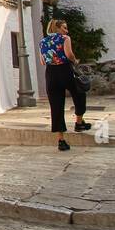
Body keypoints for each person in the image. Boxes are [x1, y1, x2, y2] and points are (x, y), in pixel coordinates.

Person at [39, 19, 88, 151]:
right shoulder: (65, 38)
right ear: (58, 29)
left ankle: (61, 140)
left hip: (50, 73)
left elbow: (42, 62)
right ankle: (79, 122)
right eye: (64, 28)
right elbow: (69, 54)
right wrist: (75, 60)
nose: (66, 31)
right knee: (79, 92)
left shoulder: (43, 41)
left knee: (56, 106)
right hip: (65, 70)